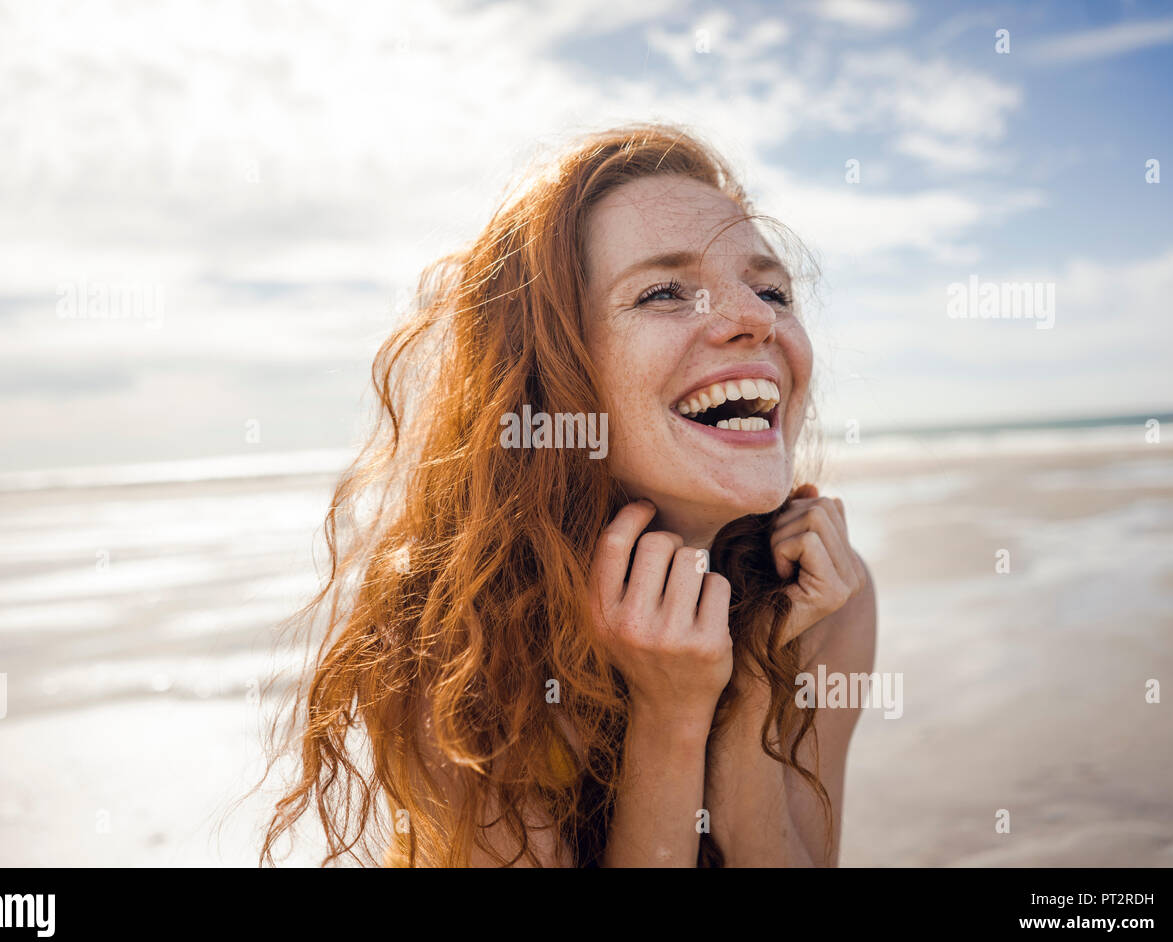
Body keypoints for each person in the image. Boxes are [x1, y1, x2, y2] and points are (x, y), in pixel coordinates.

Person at [259, 122, 877, 867]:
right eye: (664, 293)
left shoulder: (820, 596)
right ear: (552, 373)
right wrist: (673, 715)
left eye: (771, 289)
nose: (754, 317)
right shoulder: (456, 635)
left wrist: (751, 685)